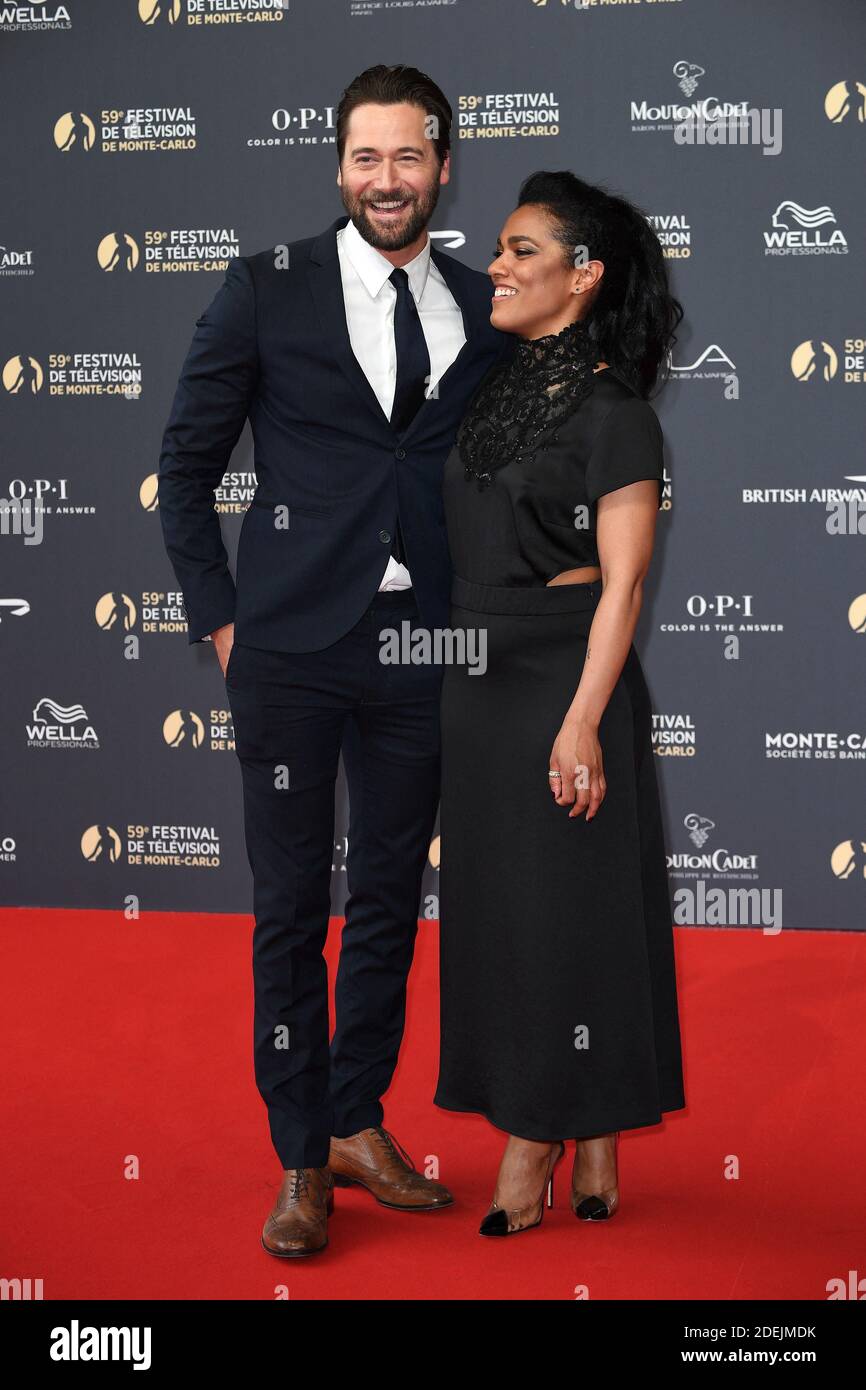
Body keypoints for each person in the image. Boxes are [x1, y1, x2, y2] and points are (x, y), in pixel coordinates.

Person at [157, 64, 512, 1257]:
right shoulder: (264, 291)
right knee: (288, 903)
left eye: (408, 157)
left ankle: (359, 1117)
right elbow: (186, 467)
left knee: (386, 898)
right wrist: (222, 623)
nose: (386, 180)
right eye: (365, 158)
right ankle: (300, 1154)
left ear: (442, 165)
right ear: (339, 167)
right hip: (291, 651)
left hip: (424, 646)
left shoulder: (478, 304)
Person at [434, 170, 687, 1235]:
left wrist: (582, 717)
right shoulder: (486, 389)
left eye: (521, 250)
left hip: (561, 675)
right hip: (475, 681)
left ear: (582, 277)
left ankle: (536, 1136)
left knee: (565, 914)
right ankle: (595, 1133)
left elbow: (623, 582)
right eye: (497, 246)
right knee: (505, 917)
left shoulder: (617, 414)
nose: (495, 264)